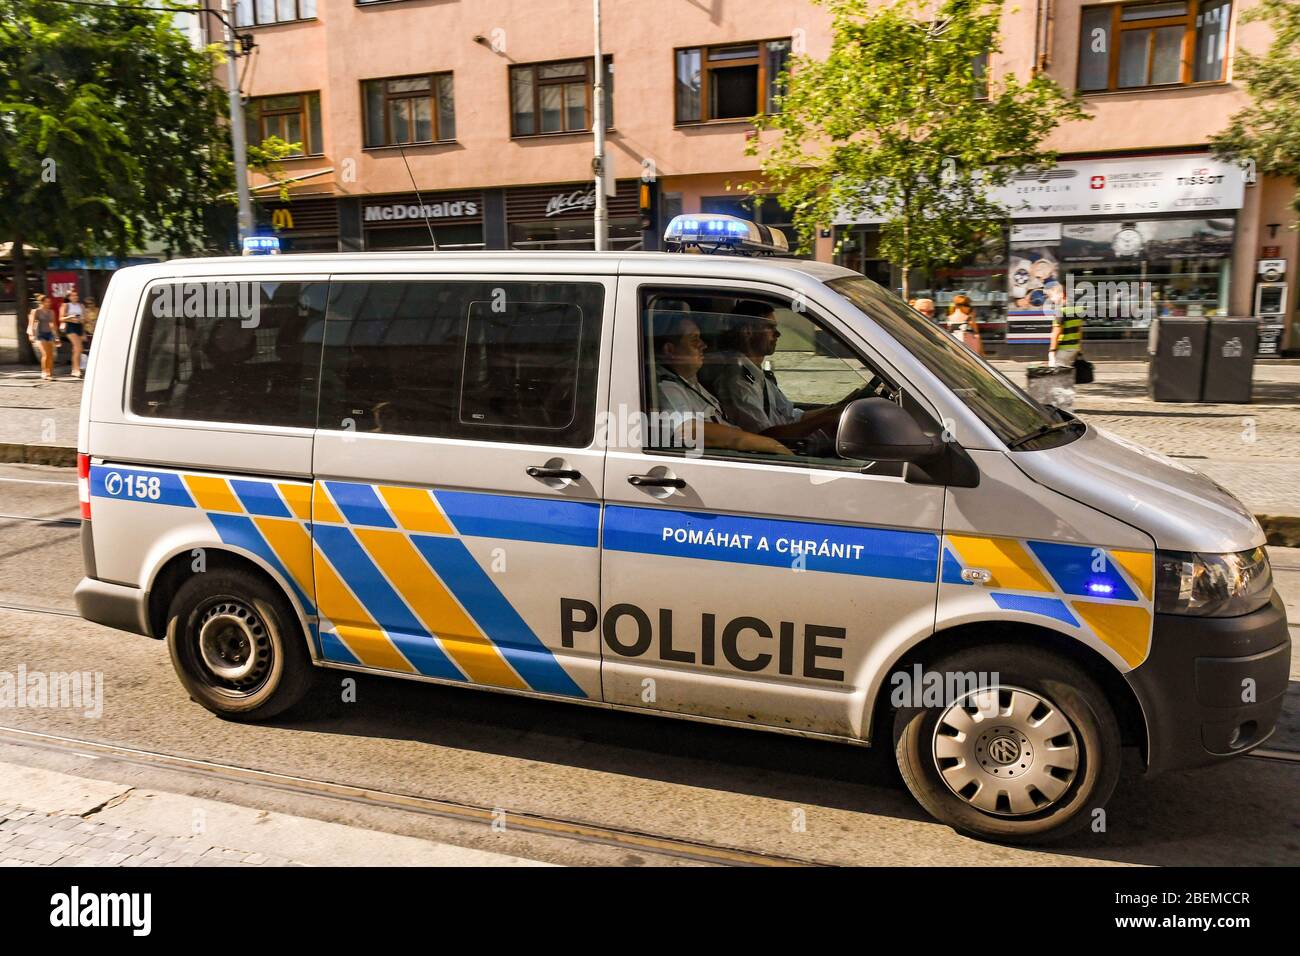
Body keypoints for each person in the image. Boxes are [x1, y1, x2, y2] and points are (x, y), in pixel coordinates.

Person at [652, 310, 791, 456]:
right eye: (694, 340)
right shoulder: (665, 388)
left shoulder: (690, 384)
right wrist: (768, 444)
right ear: (669, 350)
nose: (703, 345)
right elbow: (687, 429)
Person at [710, 300, 845, 439]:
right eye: (769, 327)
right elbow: (764, 437)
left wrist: (837, 409)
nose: (777, 334)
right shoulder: (736, 381)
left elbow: (792, 416)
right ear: (748, 331)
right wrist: (825, 418)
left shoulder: (755, 374)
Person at [26, 294, 59, 381]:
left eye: (49, 302)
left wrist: (57, 337)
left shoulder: (51, 312)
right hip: (40, 335)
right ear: (42, 302)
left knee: (51, 355)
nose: (49, 303)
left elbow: (53, 325)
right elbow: (31, 323)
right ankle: (44, 372)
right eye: (47, 302)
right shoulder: (36, 311)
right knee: (45, 354)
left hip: (49, 334)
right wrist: (31, 335)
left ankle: (49, 373)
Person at [60, 287, 86, 378]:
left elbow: (84, 319)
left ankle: (74, 369)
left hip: (79, 327)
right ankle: (76, 370)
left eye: (76, 295)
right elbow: (61, 318)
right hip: (70, 327)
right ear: (69, 297)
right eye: (73, 295)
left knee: (77, 349)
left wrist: (81, 320)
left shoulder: (81, 305)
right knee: (78, 348)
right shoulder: (66, 305)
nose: (75, 297)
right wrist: (70, 317)